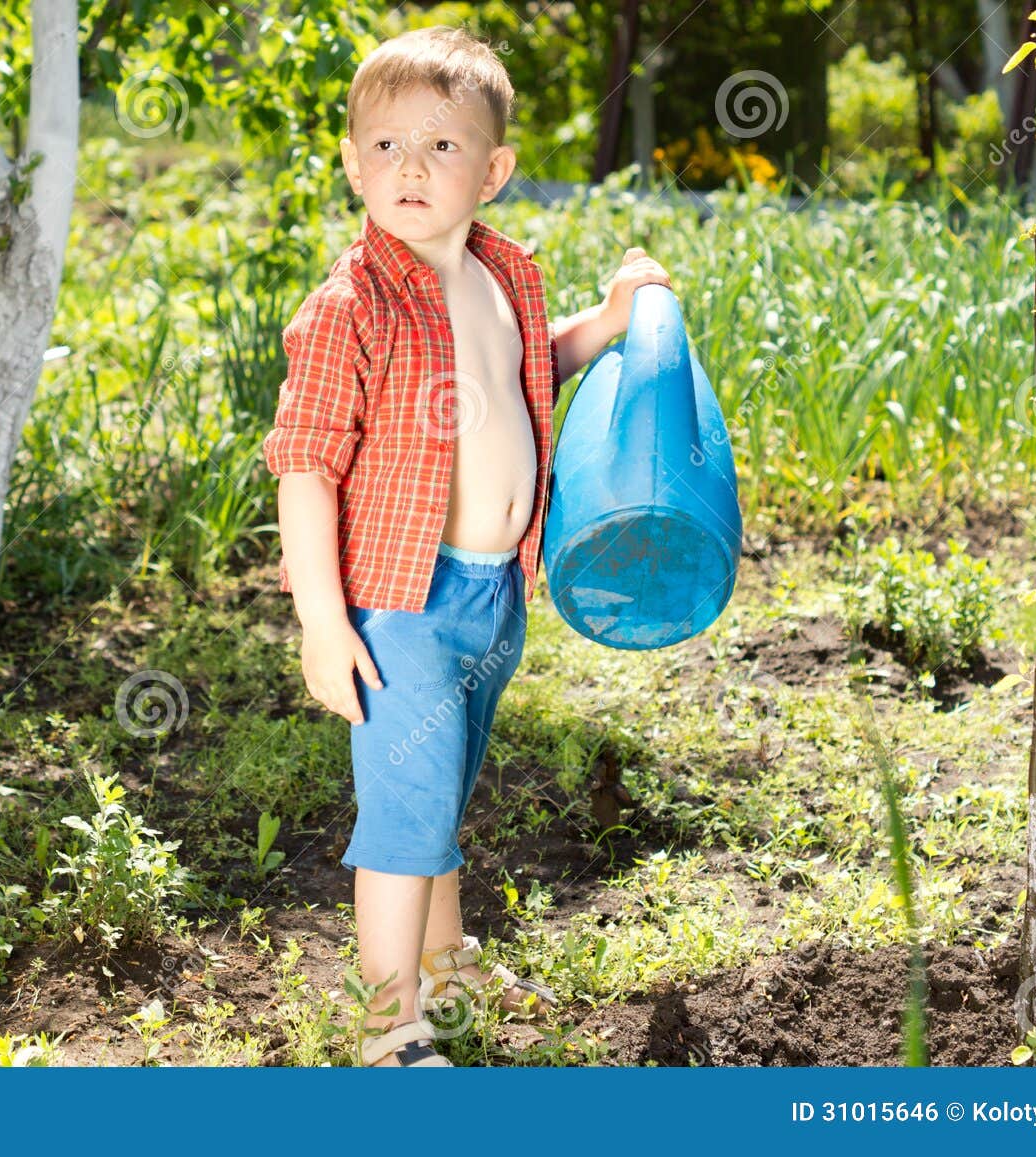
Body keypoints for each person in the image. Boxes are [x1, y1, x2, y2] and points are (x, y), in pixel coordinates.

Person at [261, 24, 671, 1067]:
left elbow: (536, 369)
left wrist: (610, 319)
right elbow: (304, 464)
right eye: (387, 145)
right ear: (353, 163)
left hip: (492, 597)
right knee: (402, 817)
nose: (410, 166)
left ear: (492, 171)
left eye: (441, 147)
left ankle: (445, 987)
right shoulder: (348, 307)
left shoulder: (506, 279)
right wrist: (320, 619)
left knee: (437, 797)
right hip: (397, 603)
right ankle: (386, 1031)